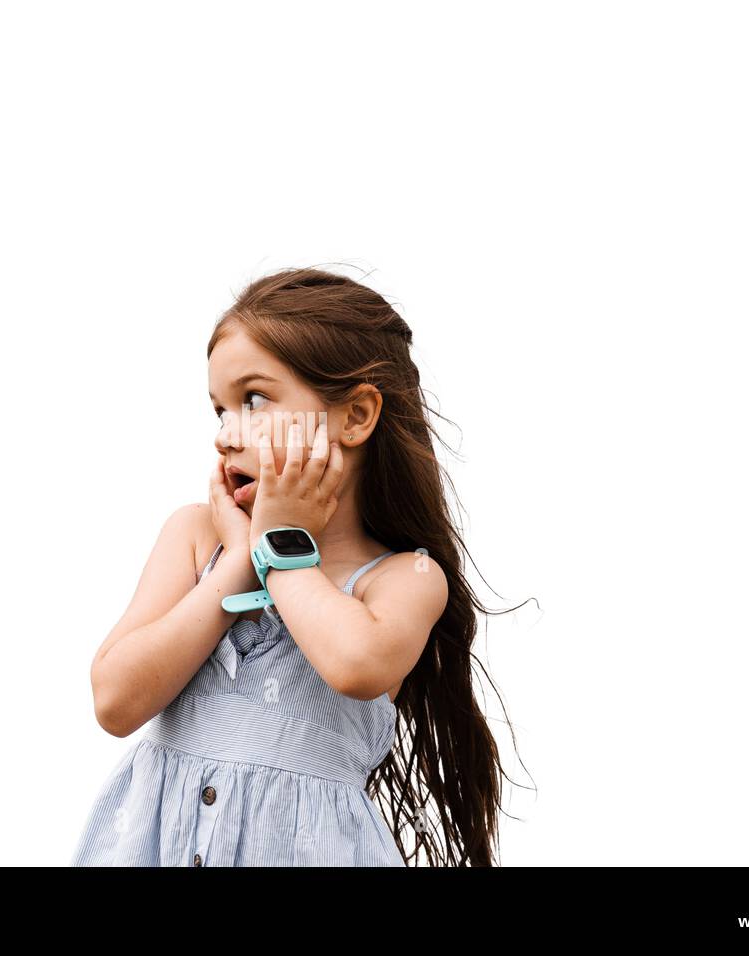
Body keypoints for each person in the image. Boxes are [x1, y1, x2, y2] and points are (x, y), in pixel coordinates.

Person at [70, 266, 522, 866]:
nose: (225, 436)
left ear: (355, 417)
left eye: (254, 401)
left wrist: (278, 547)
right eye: (220, 410)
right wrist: (238, 562)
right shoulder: (196, 539)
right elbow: (115, 700)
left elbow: (356, 664)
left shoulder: (404, 578)